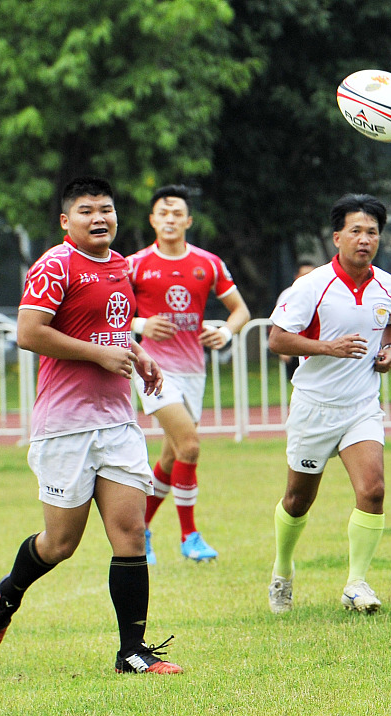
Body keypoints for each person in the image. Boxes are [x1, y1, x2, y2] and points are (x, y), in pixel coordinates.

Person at [0, 176, 181, 675]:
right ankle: (10, 593)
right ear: (67, 221)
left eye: (106, 209)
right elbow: (29, 333)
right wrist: (101, 355)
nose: (99, 218)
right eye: (87, 210)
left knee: (131, 533)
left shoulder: (119, 266)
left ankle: (133, 653)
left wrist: (139, 354)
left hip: (116, 423)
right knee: (61, 544)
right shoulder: (54, 265)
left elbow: (109, 331)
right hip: (64, 426)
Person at [266, 194, 391, 614]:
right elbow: (276, 339)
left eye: (373, 232)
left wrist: (390, 352)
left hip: (361, 406)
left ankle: (355, 583)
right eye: (356, 231)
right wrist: (328, 347)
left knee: (373, 490)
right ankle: (282, 570)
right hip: (315, 407)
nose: (365, 239)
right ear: (337, 236)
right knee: (298, 500)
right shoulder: (312, 286)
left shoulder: (388, 285)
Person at [129, 185, 250, 565]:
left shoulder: (208, 263)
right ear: (152, 220)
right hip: (151, 369)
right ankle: (189, 536)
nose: (169, 219)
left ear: (188, 221)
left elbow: (240, 311)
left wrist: (226, 331)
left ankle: (140, 530)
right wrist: (142, 323)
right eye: (162, 213)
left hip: (193, 369)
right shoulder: (133, 265)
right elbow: (108, 314)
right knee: (191, 445)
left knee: (172, 456)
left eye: (176, 213)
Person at [273, 262, 317, 381]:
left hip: (316, 346)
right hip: (295, 344)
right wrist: (284, 351)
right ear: (296, 276)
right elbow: (280, 322)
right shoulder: (288, 294)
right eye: (304, 274)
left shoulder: (322, 293)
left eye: (311, 274)